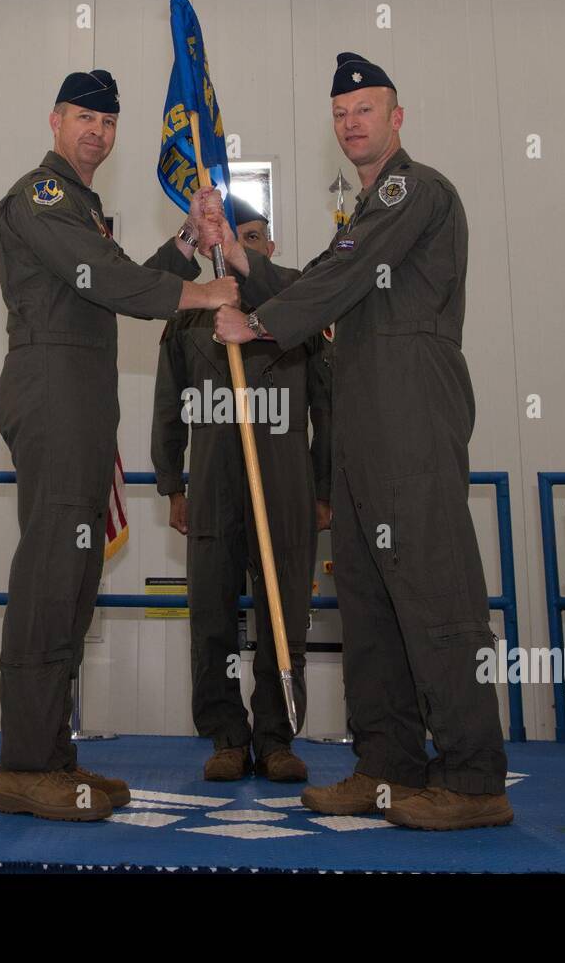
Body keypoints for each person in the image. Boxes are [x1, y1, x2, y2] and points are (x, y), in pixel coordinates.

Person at [212, 53, 512, 831]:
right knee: (369, 603)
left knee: (437, 594)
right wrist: (242, 260)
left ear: (397, 118)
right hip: (358, 425)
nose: (351, 122)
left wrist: (259, 321)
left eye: (366, 109)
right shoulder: (367, 216)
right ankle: (386, 768)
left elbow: (333, 280)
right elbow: (324, 274)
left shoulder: (417, 190)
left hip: (411, 411)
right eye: (341, 113)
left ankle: (475, 779)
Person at [0, 68, 236, 822]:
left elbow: (117, 278)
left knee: (74, 581)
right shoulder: (39, 196)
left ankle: (52, 758)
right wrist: (201, 293)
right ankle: (25, 766)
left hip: (82, 400)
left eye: (109, 121)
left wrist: (188, 243)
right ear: (55, 120)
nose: (97, 131)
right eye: (83, 118)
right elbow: (102, 278)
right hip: (53, 392)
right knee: (50, 579)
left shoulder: (82, 207)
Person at [151, 196, 331, 783]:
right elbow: (168, 410)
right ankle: (227, 736)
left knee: (286, 617)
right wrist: (171, 485)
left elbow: (329, 407)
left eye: (253, 238)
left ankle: (277, 738)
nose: (243, 250)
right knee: (212, 617)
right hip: (213, 487)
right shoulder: (189, 320)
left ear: (269, 247)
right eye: (232, 239)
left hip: (283, 486)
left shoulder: (300, 313)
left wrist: (324, 486)